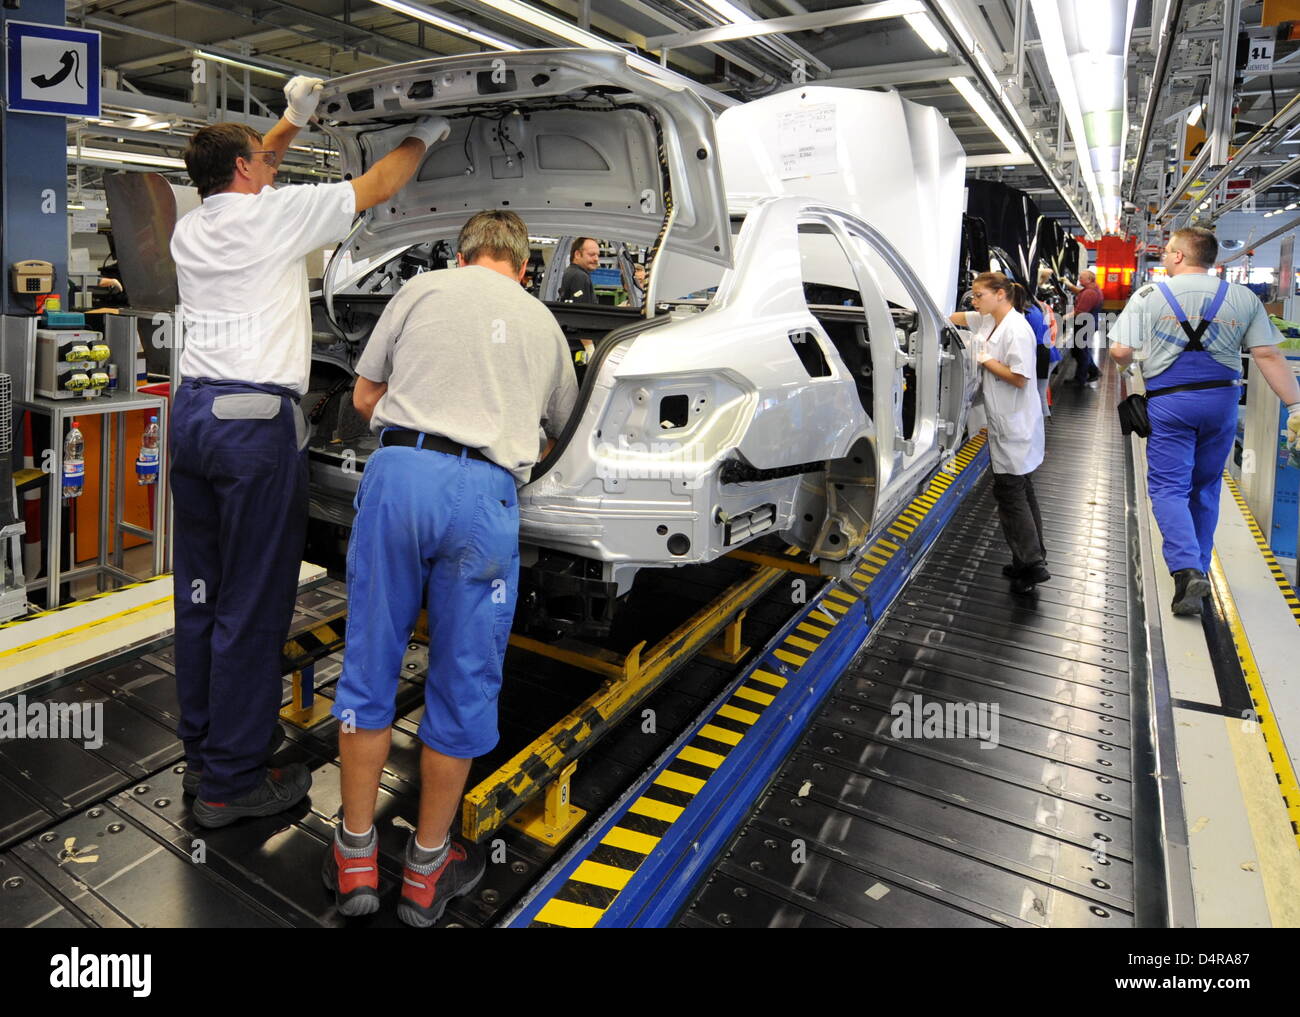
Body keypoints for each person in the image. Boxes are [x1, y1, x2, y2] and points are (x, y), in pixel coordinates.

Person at [170, 75, 452, 828]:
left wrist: (292, 122)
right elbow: (381, 181)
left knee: (199, 598)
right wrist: (430, 134)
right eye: (262, 162)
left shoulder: (192, 225)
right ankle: (231, 781)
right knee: (250, 605)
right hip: (250, 427)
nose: (272, 166)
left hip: (192, 418)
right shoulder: (275, 217)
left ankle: (206, 752)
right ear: (246, 175)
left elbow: (251, 160)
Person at [325, 210, 578, 926]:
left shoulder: (421, 289)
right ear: (522, 266)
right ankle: (427, 872)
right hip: (485, 496)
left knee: (369, 668)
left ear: (464, 255)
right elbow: (558, 434)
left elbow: (365, 396)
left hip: (400, 475)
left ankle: (354, 858)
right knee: (463, 681)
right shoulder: (543, 325)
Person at [1110, 227, 1300, 615]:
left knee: (1167, 488)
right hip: (1222, 401)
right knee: (1206, 485)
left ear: (1180, 256)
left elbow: (1120, 351)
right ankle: (1198, 561)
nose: (1163, 257)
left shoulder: (1149, 296)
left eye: (1167, 252)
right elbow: (1267, 356)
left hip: (1171, 402)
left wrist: (1130, 364)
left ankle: (1186, 571)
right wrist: (1296, 406)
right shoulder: (1243, 297)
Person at [950, 272, 1049, 594]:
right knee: (1021, 486)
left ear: (1001, 294)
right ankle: (1030, 559)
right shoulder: (989, 320)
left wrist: (985, 360)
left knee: (1010, 491)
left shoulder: (1016, 329)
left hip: (1015, 422)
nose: (975, 301)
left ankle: (1031, 564)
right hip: (1007, 420)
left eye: (979, 295)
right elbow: (957, 317)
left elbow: (1020, 377)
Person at [1066, 269, 1104, 386]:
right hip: (1088, 323)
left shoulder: (1089, 293)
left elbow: (1080, 312)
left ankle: (1080, 379)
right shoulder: (1091, 289)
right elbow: (1079, 291)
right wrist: (1069, 285)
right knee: (1081, 350)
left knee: (1081, 351)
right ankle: (1093, 371)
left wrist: (1065, 317)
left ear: (1089, 279)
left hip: (1085, 324)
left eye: (1081, 277)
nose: (1079, 279)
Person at [558, 237, 600, 303]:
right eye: (592, 254)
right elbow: (582, 310)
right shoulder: (580, 276)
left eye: (598, 255)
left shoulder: (570, 272)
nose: (596, 259)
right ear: (577, 254)